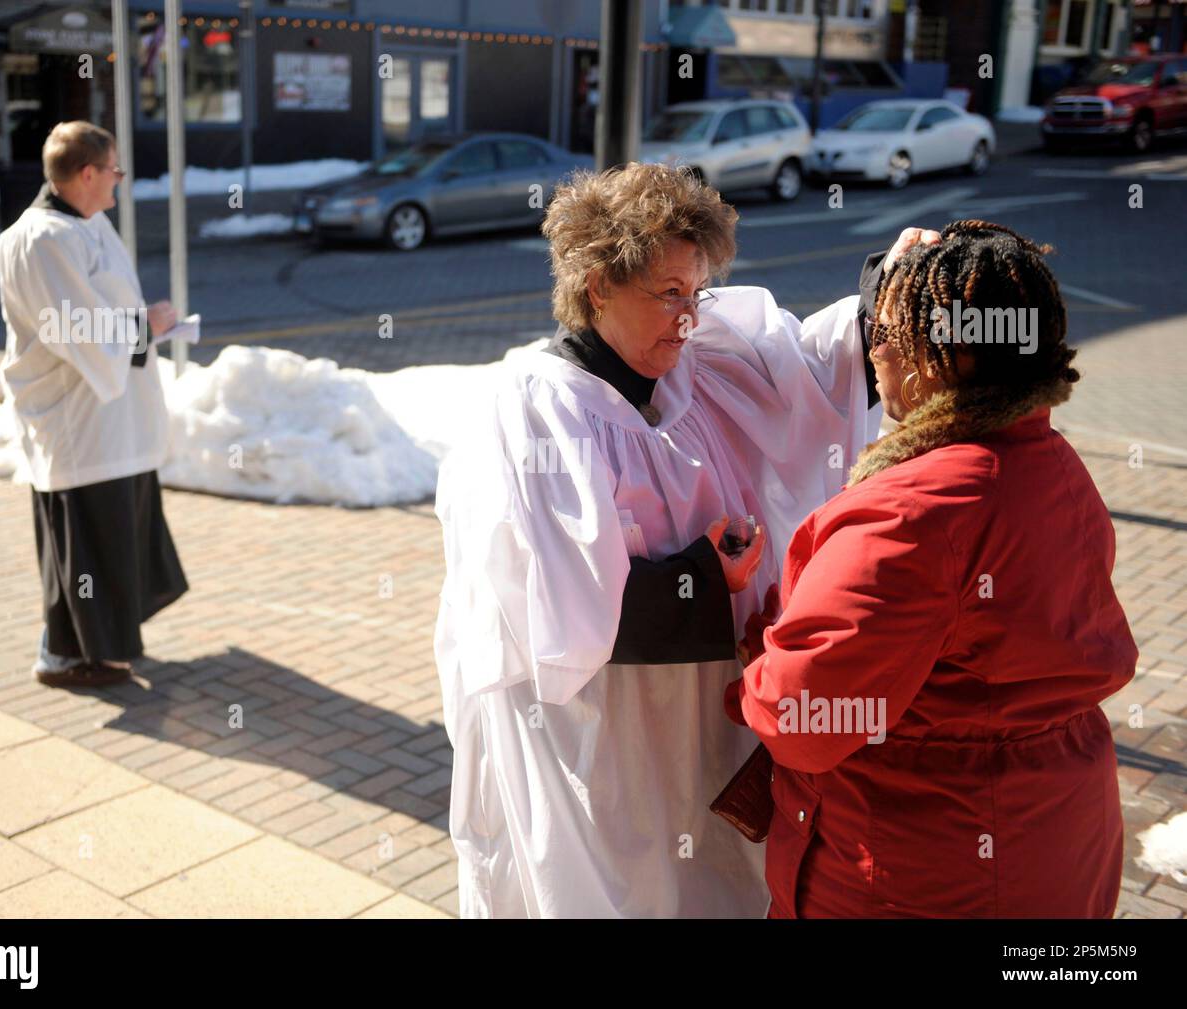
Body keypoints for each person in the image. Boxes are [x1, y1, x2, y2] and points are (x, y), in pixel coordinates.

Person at [434, 162, 899, 917]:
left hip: (698, 740)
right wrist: (705, 574)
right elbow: (560, 610)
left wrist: (887, 297)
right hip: (598, 750)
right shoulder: (533, 413)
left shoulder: (692, 370)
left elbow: (804, 380)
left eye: (695, 292)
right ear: (597, 287)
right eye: (667, 294)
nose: (687, 317)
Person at [724, 220, 1138, 918]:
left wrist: (760, 653)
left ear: (943, 360)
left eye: (889, 332)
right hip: (1059, 841)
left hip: (919, 875)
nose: (874, 352)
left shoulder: (911, 512)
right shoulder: (1053, 465)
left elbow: (800, 717)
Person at [0, 120, 187, 688]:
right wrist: (143, 325)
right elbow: (69, 327)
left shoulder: (88, 223)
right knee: (85, 541)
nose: (119, 181)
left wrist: (143, 324)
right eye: (114, 170)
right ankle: (74, 653)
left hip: (111, 422)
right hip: (76, 423)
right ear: (86, 174)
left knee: (115, 531)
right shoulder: (40, 239)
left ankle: (110, 640)